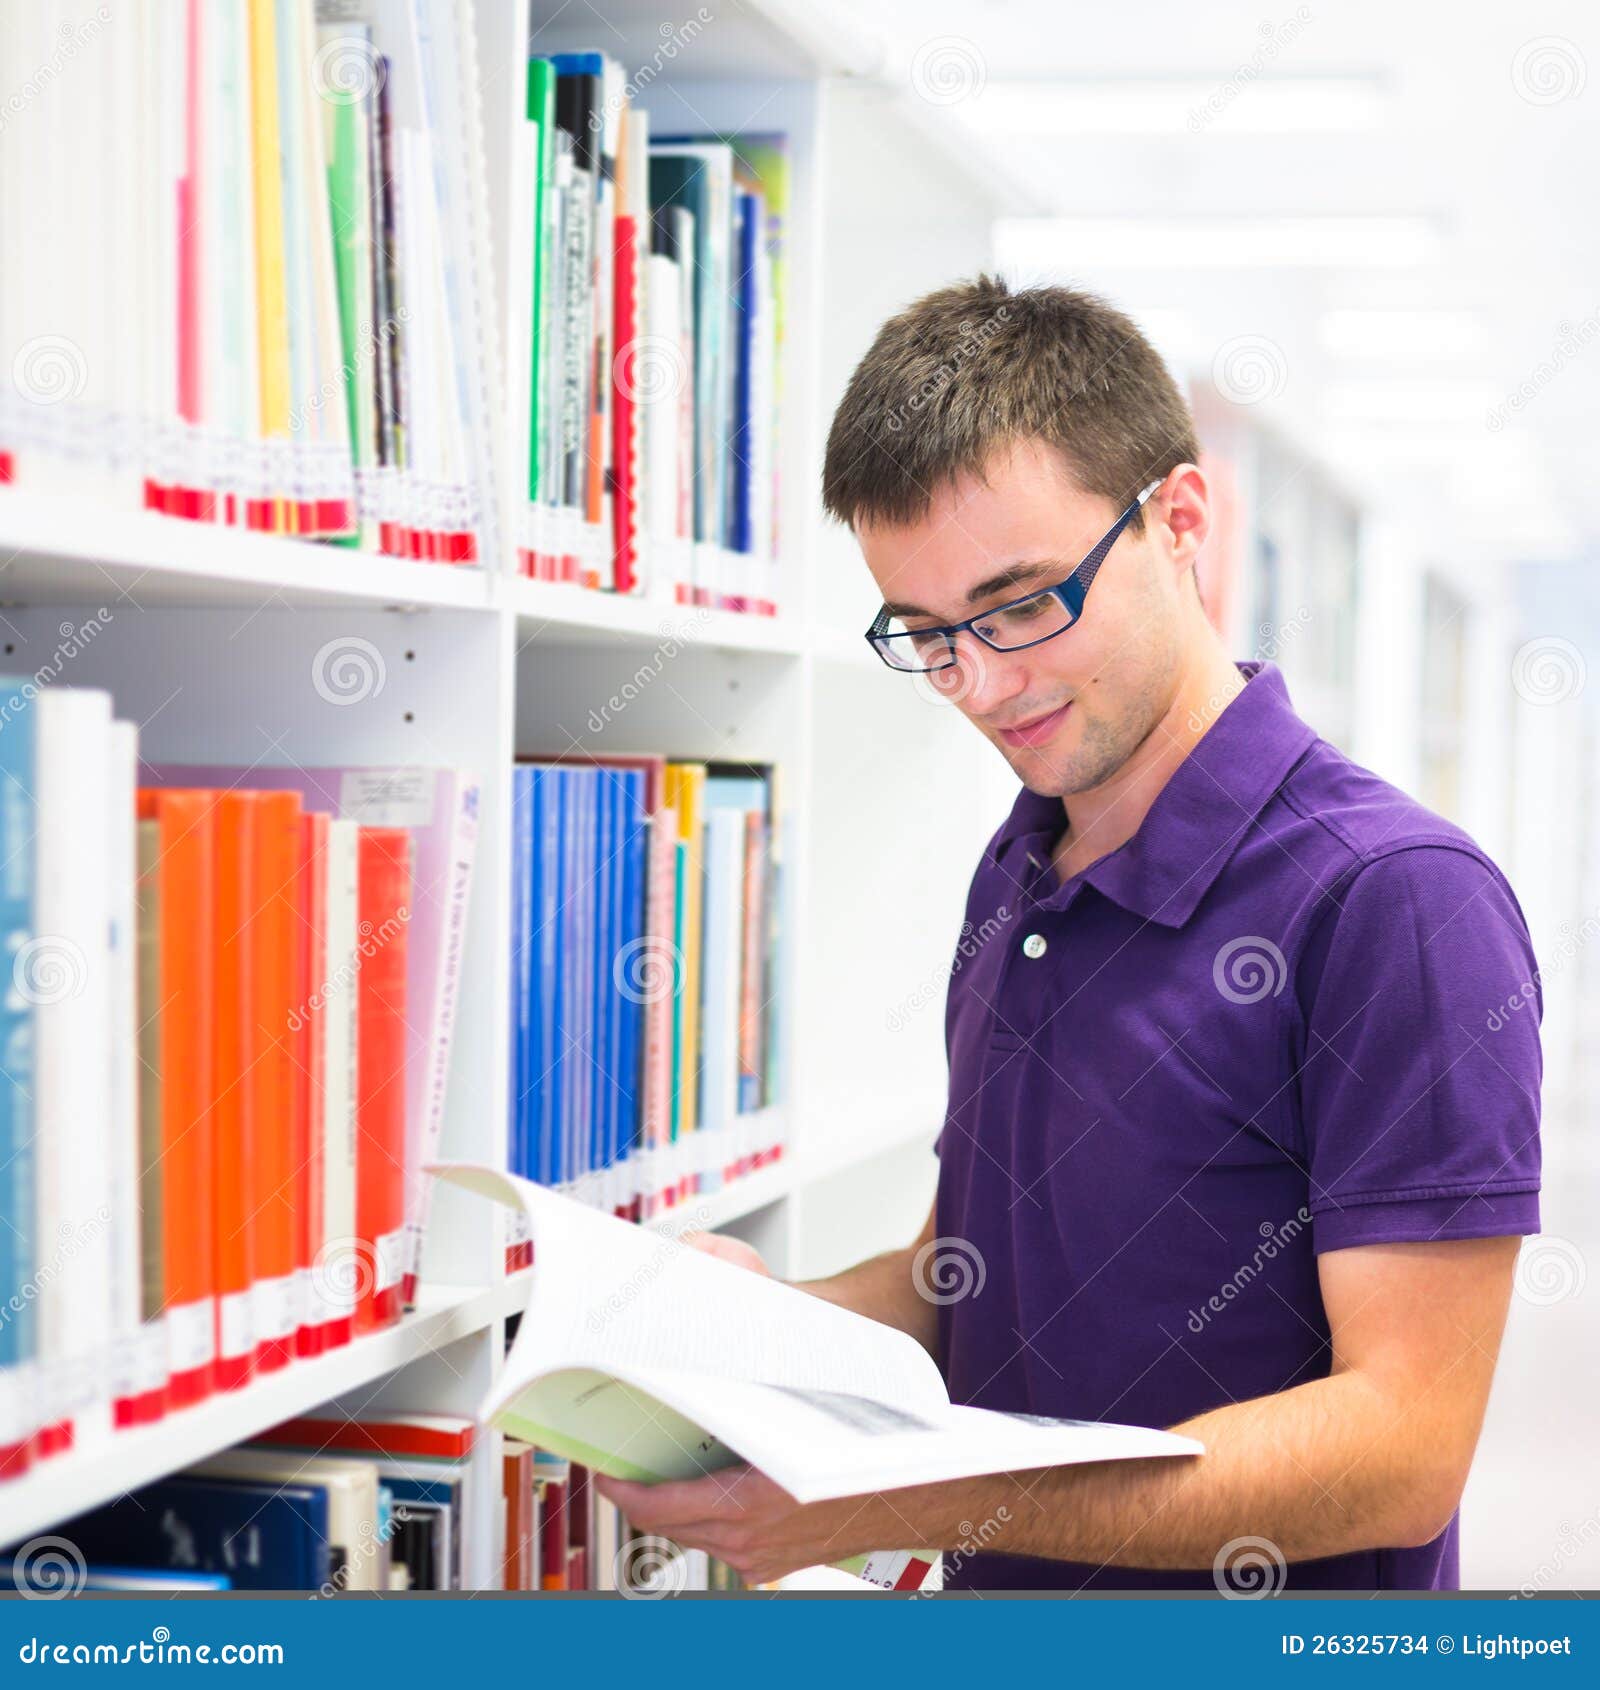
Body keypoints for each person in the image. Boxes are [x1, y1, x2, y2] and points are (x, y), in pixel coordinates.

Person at [596, 276, 1543, 1592]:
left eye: (1023, 602)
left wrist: (902, 1493)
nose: (980, 683)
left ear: (1183, 522)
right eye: (926, 634)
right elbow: (962, 1283)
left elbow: (1401, 1443)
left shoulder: (1396, 903)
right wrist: (759, 1330)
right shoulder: (1024, 862)